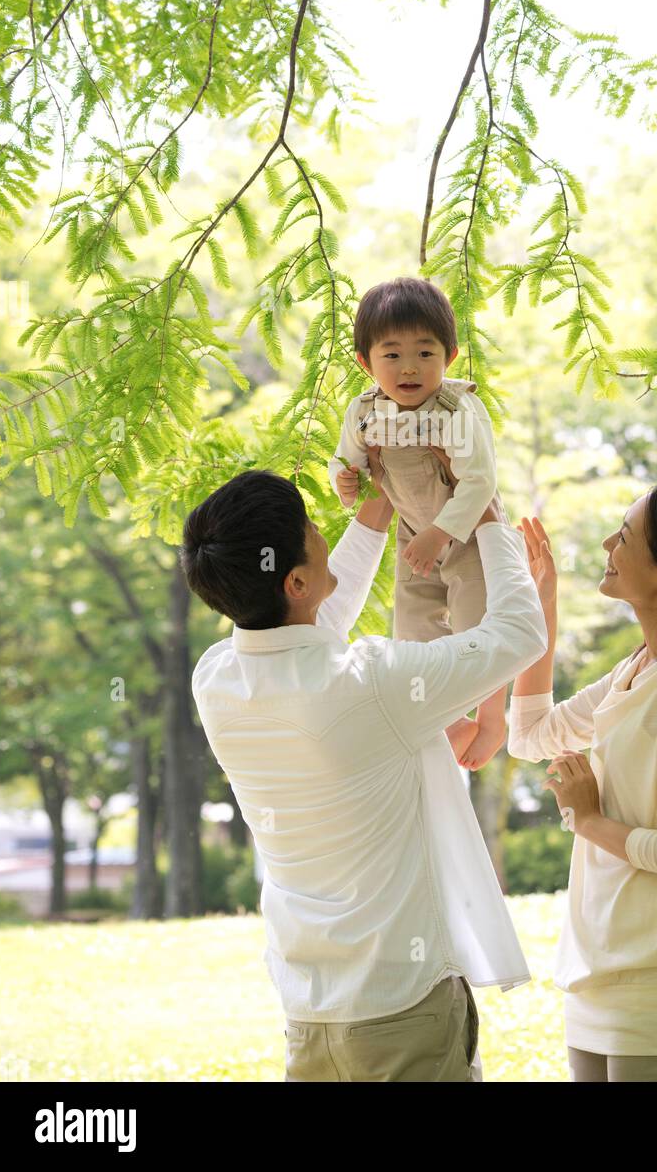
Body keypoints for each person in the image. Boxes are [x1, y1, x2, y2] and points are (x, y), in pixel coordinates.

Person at [180, 462, 551, 1082]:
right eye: (308, 526)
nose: (321, 531)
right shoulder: (373, 682)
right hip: (402, 1011)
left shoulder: (216, 679)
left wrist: (377, 512)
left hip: (309, 1013)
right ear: (296, 579)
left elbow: (308, 627)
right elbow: (518, 633)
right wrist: (488, 524)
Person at [508, 484, 657, 1083]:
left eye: (626, 535)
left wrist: (589, 821)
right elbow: (530, 734)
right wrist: (543, 603)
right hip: (596, 972)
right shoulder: (635, 671)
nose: (607, 544)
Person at [328, 276, 511, 770]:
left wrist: (441, 533)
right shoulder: (365, 412)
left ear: (449, 357)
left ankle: (493, 716)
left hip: (469, 534)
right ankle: (450, 723)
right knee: (412, 631)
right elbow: (346, 462)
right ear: (366, 363)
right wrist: (344, 482)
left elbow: (480, 483)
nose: (409, 367)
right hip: (413, 533)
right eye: (392, 355)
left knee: (480, 627)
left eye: (425, 353)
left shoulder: (458, 409)